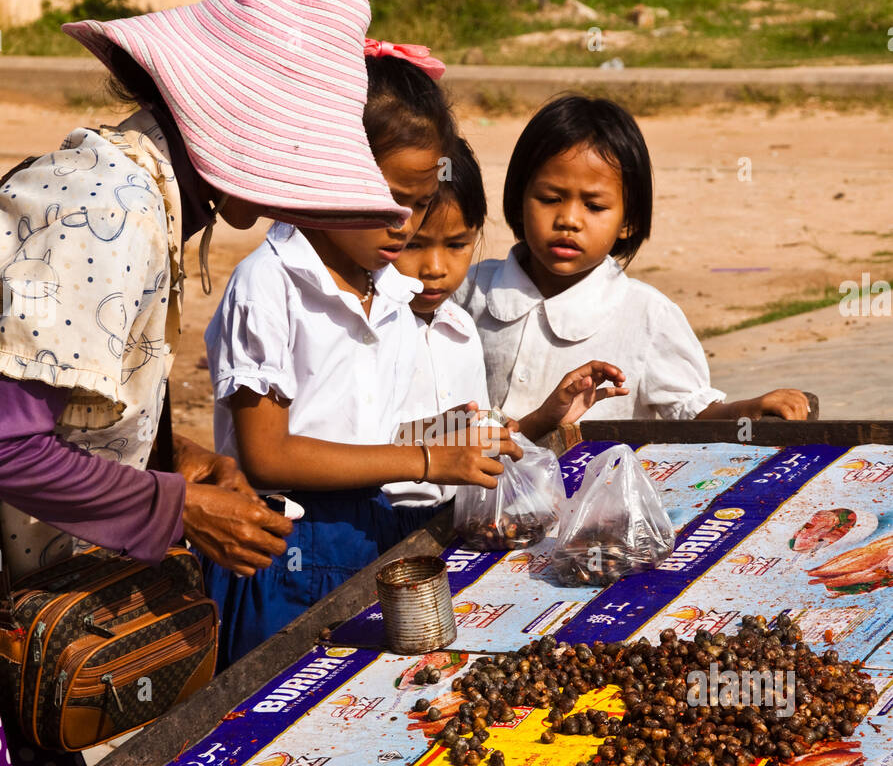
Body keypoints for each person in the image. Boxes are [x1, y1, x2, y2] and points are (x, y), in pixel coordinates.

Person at [0, 0, 417, 766]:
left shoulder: (141, 200)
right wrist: (177, 509)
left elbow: (70, 395)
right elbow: (7, 441)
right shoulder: (104, 214)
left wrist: (176, 457)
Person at [201, 48, 523, 672]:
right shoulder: (271, 283)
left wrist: (450, 432)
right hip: (286, 556)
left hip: (376, 539)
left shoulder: (387, 286)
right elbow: (269, 455)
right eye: (394, 199)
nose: (406, 225)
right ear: (331, 171)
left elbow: (360, 432)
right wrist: (429, 457)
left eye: (423, 202)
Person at [455, 96, 810, 424]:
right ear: (518, 200)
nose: (569, 220)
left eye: (594, 206)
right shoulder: (468, 291)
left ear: (629, 221)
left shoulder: (647, 316)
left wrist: (746, 410)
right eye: (550, 198)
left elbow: (690, 413)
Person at [385, 134, 628, 516]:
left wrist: (544, 417)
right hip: (372, 523)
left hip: (451, 518)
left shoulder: (459, 328)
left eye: (457, 245)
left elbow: (479, 440)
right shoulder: (369, 329)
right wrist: (431, 455)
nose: (435, 268)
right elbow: (353, 443)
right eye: (414, 244)